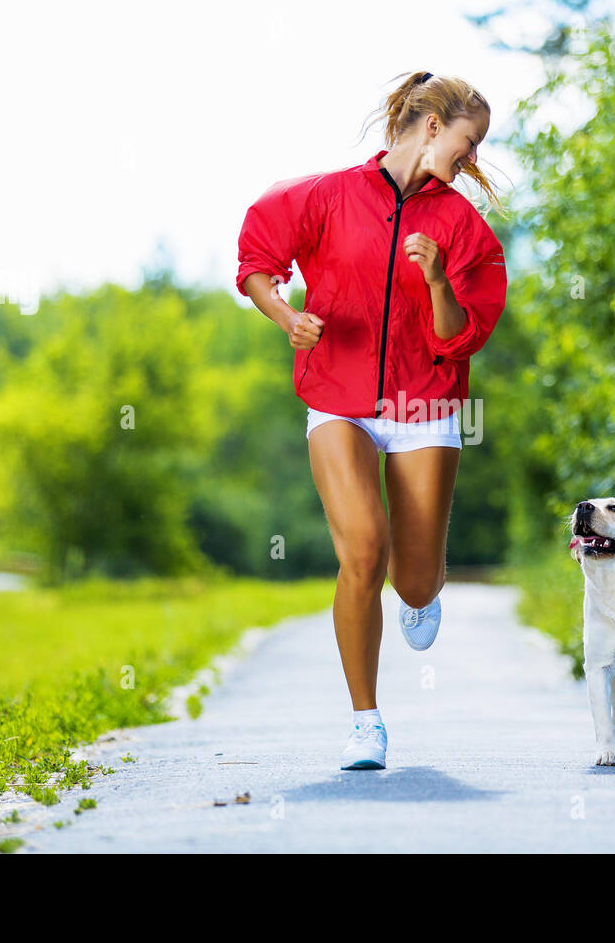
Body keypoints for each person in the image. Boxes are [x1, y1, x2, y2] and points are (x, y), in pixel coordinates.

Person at [235, 70, 508, 770]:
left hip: (424, 404)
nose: (470, 160)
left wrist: (439, 279)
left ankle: (423, 594)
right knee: (363, 549)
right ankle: (365, 722)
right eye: (467, 144)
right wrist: (288, 316)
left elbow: (461, 337)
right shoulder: (324, 196)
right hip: (337, 397)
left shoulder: (463, 228)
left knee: (413, 579)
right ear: (431, 126)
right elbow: (259, 259)